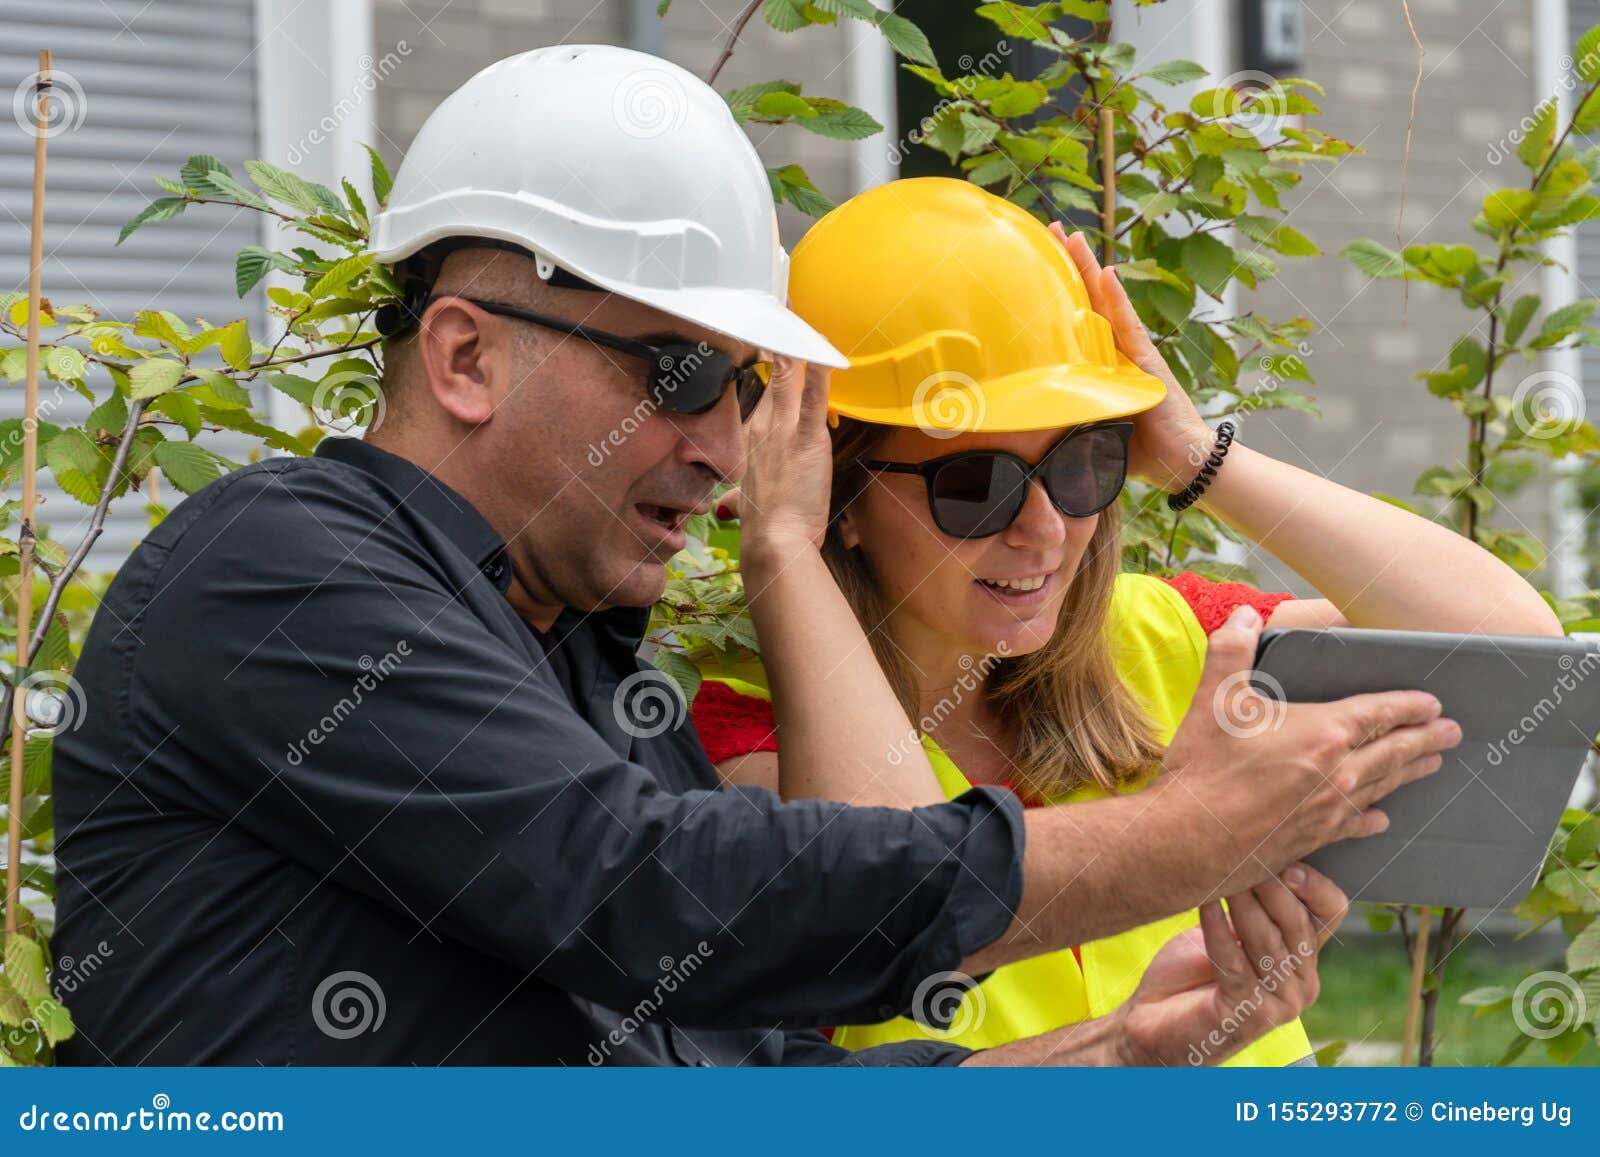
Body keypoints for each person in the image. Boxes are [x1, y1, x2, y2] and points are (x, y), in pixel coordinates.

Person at [51, 47, 1457, 1067]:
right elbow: (657, 891)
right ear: (465, 355)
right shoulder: (280, 572)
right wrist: (1190, 834)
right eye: (675, 372)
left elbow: (778, 1079)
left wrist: (1124, 1056)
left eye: (741, 386)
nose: (726, 448)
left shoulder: (585, 676)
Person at [690, 178, 1562, 1060]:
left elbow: (1513, 648)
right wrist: (781, 544)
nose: (1045, 529)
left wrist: (1198, 458)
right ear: (836, 492)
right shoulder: (752, 730)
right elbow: (896, 894)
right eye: (976, 485)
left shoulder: (1167, 633)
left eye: (1083, 463)